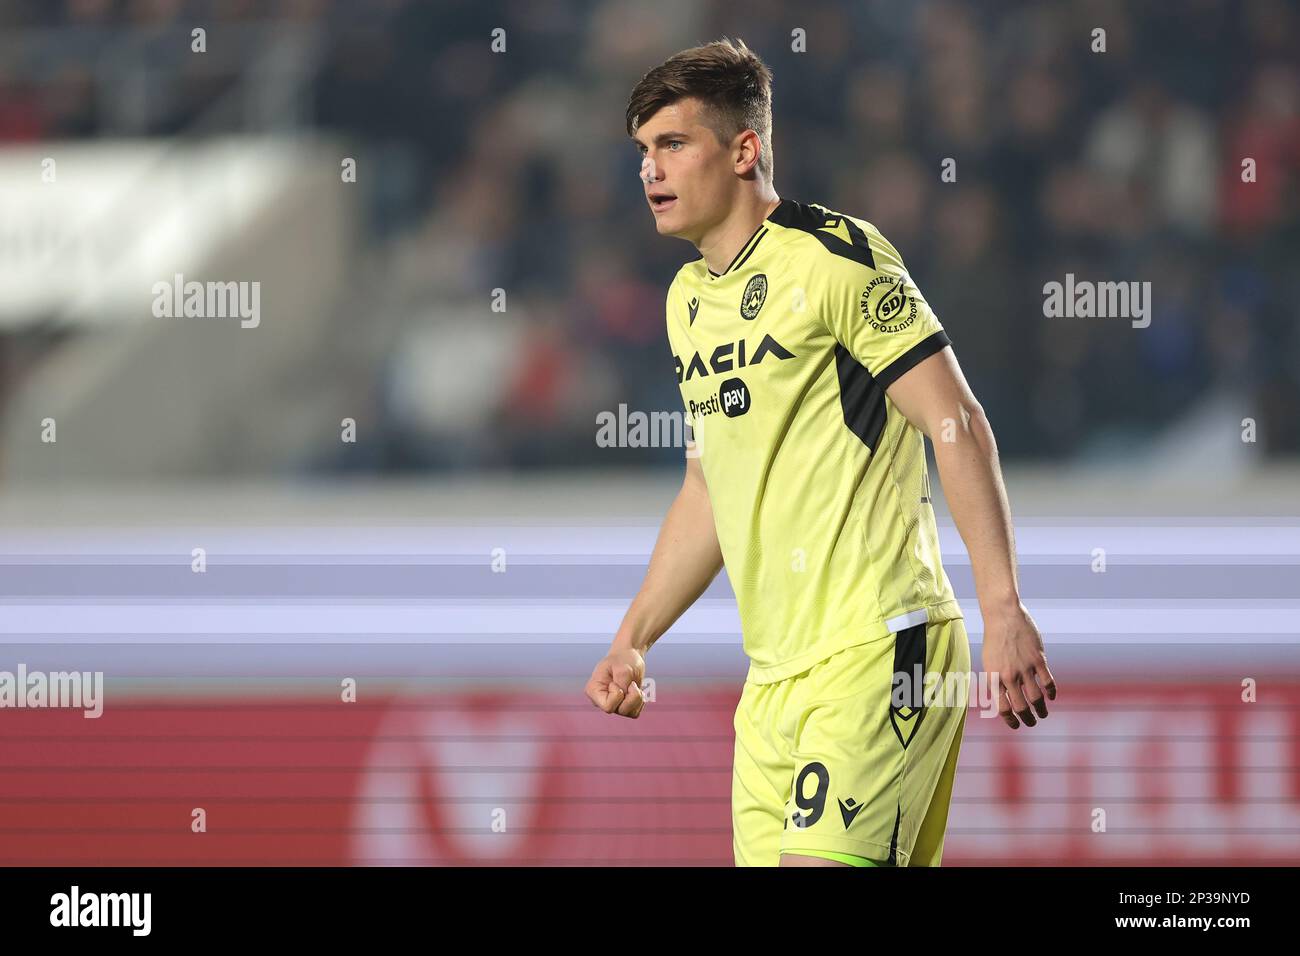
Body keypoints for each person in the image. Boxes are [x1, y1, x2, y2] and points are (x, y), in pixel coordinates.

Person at [585, 37, 1056, 867]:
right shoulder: (687, 302)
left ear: (744, 149)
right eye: (642, 152)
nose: (650, 171)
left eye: (672, 144)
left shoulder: (837, 258)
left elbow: (957, 422)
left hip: (882, 646)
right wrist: (635, 636)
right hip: (772, 682)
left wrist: (1002, 605)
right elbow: (708, 489)